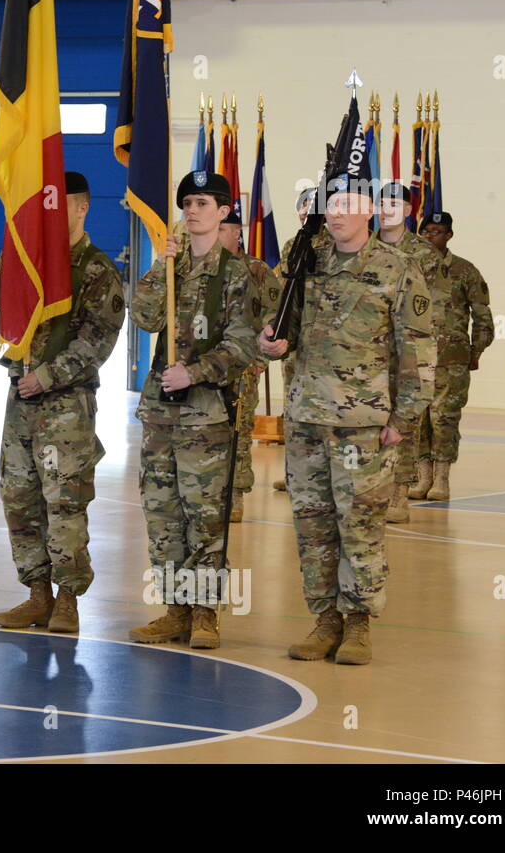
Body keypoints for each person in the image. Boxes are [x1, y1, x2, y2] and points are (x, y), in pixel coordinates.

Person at [258, 173, 434, 665]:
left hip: (364, 420)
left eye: (347, 203)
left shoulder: (398, 268)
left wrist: (405, 418)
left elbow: (418, 350)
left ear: (370, 212)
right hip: (306, 417)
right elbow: (276, 322)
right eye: (330, 202)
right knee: (312, 526)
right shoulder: (303, 262)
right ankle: (324, 620)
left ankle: (358, 623)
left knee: (359, 524)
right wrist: (267, 341)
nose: (335, 212)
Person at [0, 171, 125, 634]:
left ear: (82, 207)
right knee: (19, 500)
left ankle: (68, 599)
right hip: (19, 403)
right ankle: (36, 594)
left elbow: (97, 342)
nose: (48, 214)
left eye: (57, 205)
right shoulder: (29, 260)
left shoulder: (97, 270)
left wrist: (45, 377)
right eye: (41, 206)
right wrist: (17, 246)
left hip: (65, 405)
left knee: (64, 502)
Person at [128, 170, 258, 649]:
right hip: (161, 413)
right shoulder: (171, 266)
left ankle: (205, 614)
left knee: (204, 516)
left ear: (224, 212)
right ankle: (174, 609)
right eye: (187, 202)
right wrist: (157, 268)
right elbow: (143, 316)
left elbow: (244, 344)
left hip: (205, 414)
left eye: (203, 202)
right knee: (162, 514)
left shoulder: (235, 273)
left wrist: (196, 372)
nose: (192, 210)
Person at [409, 212, 493, 500]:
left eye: (438, 231)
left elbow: (483, 317)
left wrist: (476, 351)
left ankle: (442, 480)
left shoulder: (464, 271)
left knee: (444, 419)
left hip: (451, 359)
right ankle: (423, 478)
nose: (431, 236)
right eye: (426, 231)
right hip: (414, 357)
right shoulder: (409, 268)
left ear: (449, 236)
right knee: (417, 418)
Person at [374, 181, 441, 522]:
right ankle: (376, 490)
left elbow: (431, 305)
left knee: (405, 419)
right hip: (371, 351)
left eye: (395, 203)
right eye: (382, 202)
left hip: (409, 347)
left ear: (409, 210)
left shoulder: (424, 253)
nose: (387, 209)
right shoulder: (364, 248)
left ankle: (399, 494)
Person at [216, 207, 282, 522]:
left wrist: (260, 358)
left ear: (236, 233)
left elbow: (274, 316)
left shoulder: (255, 269)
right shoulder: (202, 267)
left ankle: (236, 494)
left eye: (222, 229)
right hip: (206, 367)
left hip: (242, 365)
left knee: (239, 430)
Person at [272, 186, 325, 494]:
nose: (307, 212)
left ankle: (318, 475)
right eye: (303, 207)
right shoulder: (292, 245)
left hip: (325, 344)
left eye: (313, 207)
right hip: (295, 340)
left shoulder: (334, 245)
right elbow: (285, 292)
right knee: (293, 409)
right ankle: (294, 472)